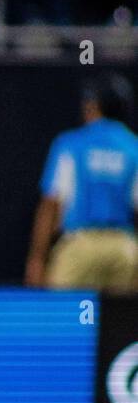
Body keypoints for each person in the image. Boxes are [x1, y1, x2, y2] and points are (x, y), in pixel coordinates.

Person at [26, 74, 138, 293]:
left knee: (62, 321)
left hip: (80, 245)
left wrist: (37, 258)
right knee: (124, 323)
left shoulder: (71, 144)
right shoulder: (133, 147)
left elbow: (51, 204)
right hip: (123, 248)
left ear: (94, 107)